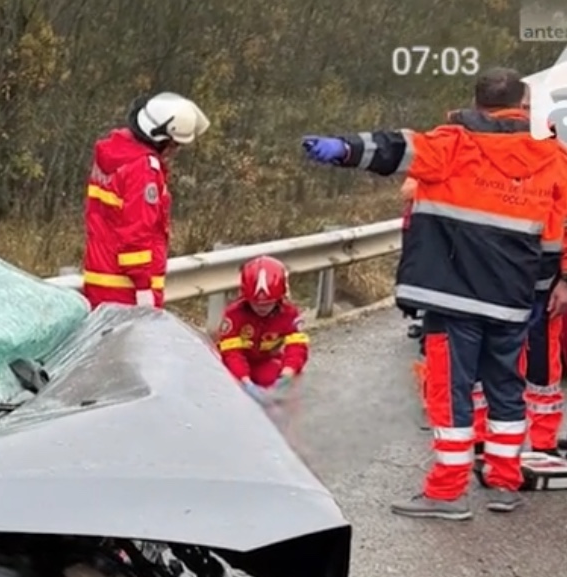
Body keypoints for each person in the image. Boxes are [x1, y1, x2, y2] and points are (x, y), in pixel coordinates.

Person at [301, 67, 567, 520]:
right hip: (512, 301)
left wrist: (342, 148)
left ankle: (446, 494)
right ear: (524, 108)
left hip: (454, 298)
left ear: (477, 102)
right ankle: (505, 483)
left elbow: (391, 148)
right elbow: (553, 239)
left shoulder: (451, 146)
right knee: (506, 388)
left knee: (451, 391)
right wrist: (544, 289)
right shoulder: (551, 161)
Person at [82, 92, 210, 309]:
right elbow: (137, 233)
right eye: (174, 145)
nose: (174, 151)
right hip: (126, 290)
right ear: (160, 138)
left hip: (101, 278)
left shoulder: (113, 153)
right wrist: (143, 288)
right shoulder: (142, 169)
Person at [215, 255, 309, 400]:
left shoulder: (289, 314)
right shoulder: (234, 314)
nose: (261, 308)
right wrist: (244, 381)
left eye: (268, 303)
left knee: (283, 387)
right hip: (237, 365)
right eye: (256, 303)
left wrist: (288, 373)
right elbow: (231, 353)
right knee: (231, 389)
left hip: (266, 362)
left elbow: (297, 347)